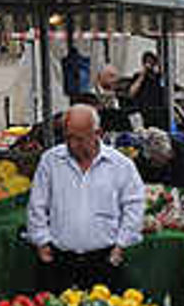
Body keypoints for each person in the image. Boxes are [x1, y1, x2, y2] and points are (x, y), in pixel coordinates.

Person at [27, 104, 146, 293]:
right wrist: (41, 242)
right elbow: (37, 204)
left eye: (80, 139)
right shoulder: (50, 161)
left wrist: (120, 247)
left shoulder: (120, 165)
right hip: (60, 261)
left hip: (105, 260)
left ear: (98, 133)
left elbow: (134, 206)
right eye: (69, 138)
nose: (73, 145)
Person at [136, 127, 184, 194]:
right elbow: (144, 180)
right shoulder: (145, 154)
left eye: (157, 159)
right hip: (167, 193)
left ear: (169, 152)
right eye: (152, 159)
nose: (154, 162)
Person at [127, 52, 166, 126]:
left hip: (157, 112)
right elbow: (131, 93)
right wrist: (143, 74)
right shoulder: (138, 76)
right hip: (142, 111)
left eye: (152, 62)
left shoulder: (159, 78)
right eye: (147, 62)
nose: (149, 65)